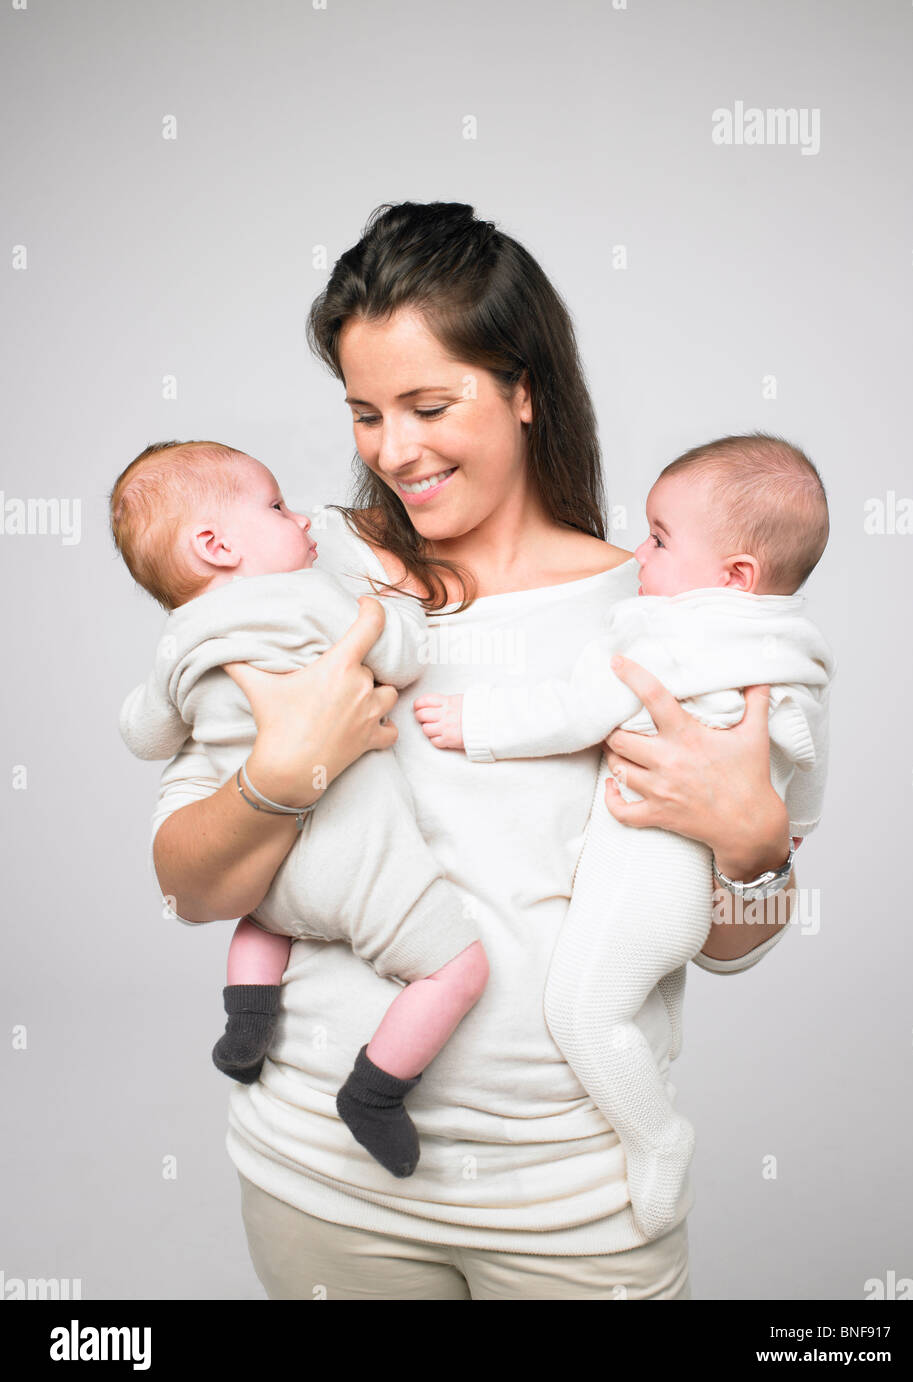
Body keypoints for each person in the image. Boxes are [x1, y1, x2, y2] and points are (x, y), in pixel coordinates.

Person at [149, 201, 807, 1300]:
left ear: (522, 389)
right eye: (363, 414)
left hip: (570, 1201)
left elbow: (727, 944)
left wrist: (755, 850)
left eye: (427, 404)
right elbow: (189, 885)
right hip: (322, 1182)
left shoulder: (660, 605)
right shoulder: (296, 577)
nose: (391, 451)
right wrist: (279, 774)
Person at [413, 432, 835, 1239]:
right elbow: (806, 780)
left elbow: (575, 712)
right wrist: (779, 829)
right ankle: (656, 1045)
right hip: (673, 887)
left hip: (647, 869)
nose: (638, 551)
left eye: (660, 538)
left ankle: (656, 1137)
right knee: (637, 986)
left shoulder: (669, 634)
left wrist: (480, 722)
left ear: (732, 576)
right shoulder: (794, 655)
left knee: (580, 1012)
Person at [111, 440, 488, 1179]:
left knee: (263, 918)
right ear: (215, 544)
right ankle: (376, 1091)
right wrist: (390, 598)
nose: (303, 518)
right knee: (456, 971)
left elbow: (145, 734)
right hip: (359, 859)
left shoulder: (179, 638)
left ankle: (248, 1020)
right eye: (276, 506)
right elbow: (402, 658)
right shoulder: (313, 593)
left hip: (266, 866)